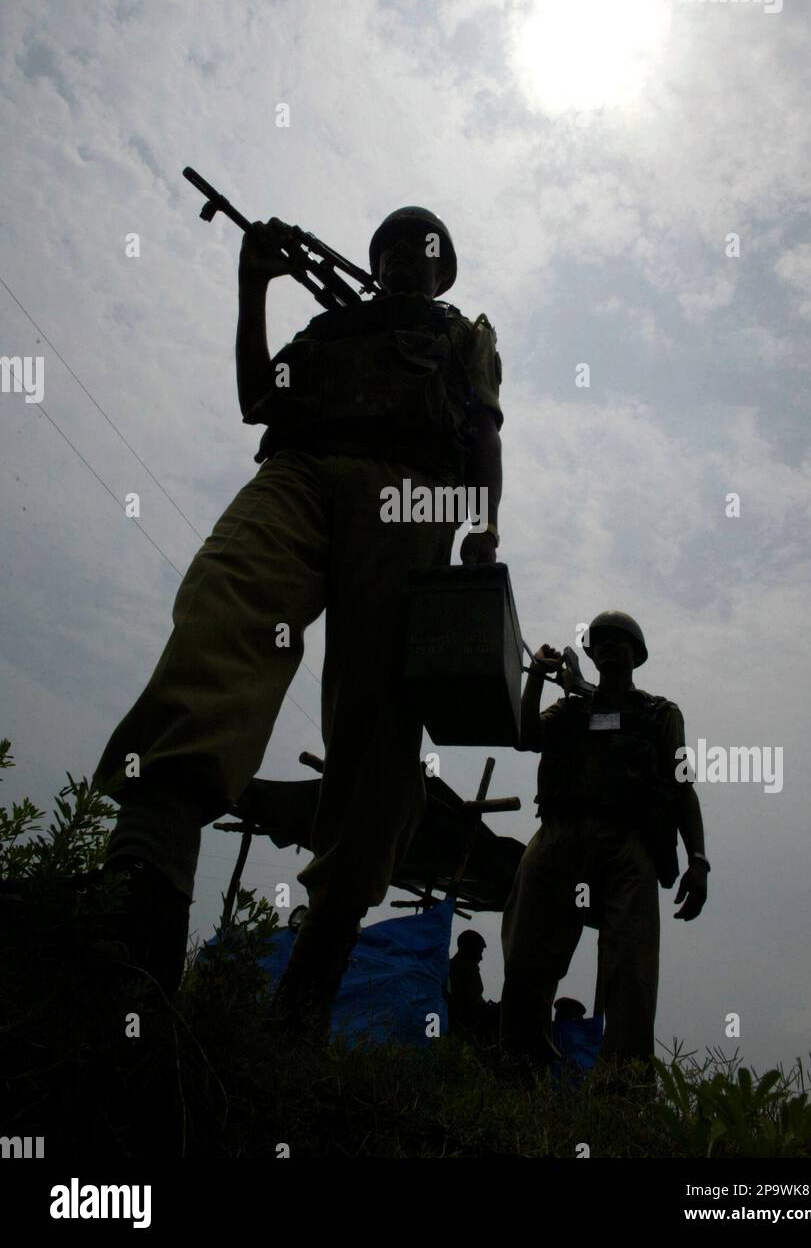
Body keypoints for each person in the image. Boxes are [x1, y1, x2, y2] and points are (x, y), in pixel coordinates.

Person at [92, 204, 503, 1038]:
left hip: (411, 493)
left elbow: (485, 432)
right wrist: (253, 288)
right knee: (222, 606)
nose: (405, 260)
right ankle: (138, 912)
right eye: (390, 247)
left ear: (442, 269)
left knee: (378, 722)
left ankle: (312, 979)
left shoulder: (463, 338)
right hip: (301, 470)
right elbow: (255, 398)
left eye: (424, 251)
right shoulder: (331, 326)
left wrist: (483, 525)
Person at [500, 612, 708, 1075]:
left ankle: (623, 1084)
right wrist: (537, 675)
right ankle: (520, 1062)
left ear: (638, 654)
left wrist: (699, 859)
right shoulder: (571, 710)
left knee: (631, 964)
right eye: (602, 641)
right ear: (591, 654)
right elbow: (526, 737)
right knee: (527, 945)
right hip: (560, 832)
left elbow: (681, 786)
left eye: (621, 640)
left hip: (628, 840)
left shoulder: (659, 714)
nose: (611, 647)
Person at [447, 930, 499, 1045]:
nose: (481, 958)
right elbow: (471, 1002)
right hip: (466, 1028)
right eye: (479, 952)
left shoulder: (451, 966)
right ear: (469, 950)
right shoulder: (468, 968)